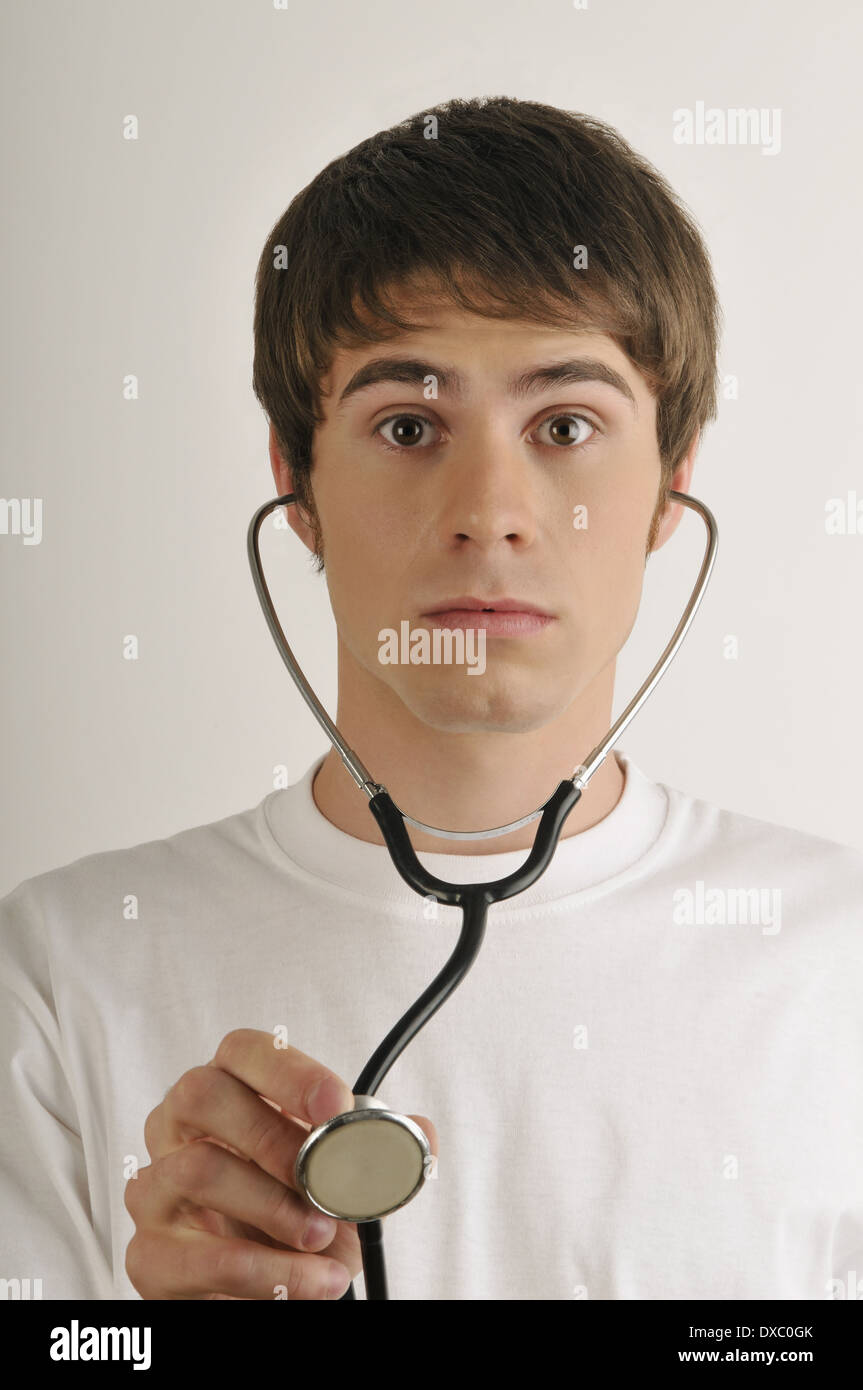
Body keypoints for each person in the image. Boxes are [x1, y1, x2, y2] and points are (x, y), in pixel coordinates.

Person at [1, 96, 861, 1303]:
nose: (488, 512)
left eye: (564, 424)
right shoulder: (61, 968)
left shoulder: (834, 960)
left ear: (670, 484)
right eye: (407, 425)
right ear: (296, 483)